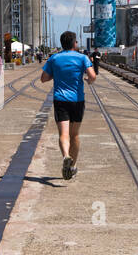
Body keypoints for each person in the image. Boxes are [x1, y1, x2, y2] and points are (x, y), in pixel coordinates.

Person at [40, 30, 96, 180]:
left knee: (63, 134)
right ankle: (72, 166)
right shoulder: (82, 58)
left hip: (60, 100)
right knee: (75, 135)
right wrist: (88, 81)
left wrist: (56, 75)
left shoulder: (54, 58)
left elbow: (43, 79)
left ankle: (66, 156)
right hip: (77, 100)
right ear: (74, 43)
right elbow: (92, 76)